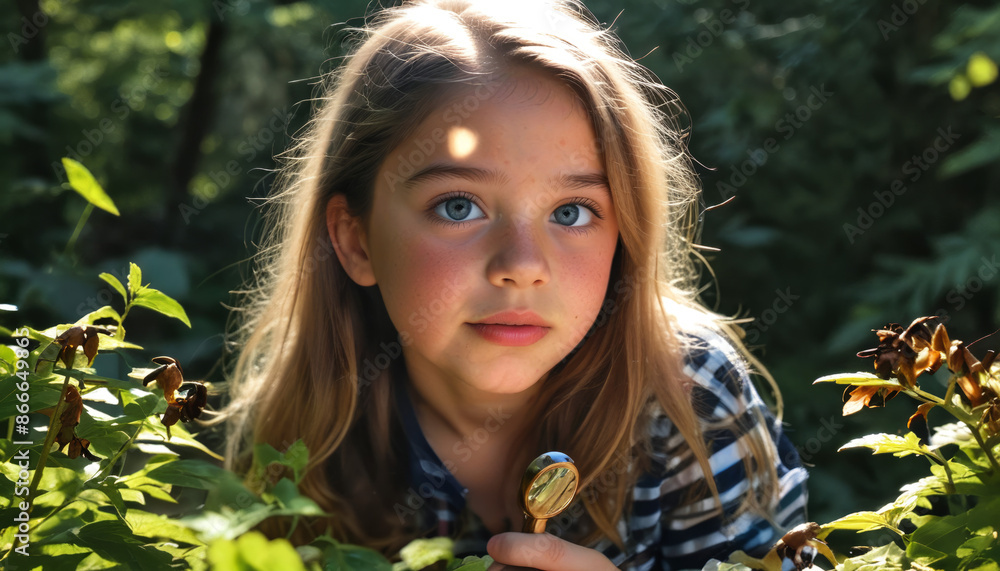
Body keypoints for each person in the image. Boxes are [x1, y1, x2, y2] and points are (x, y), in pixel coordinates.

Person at [221, 0, 808, 569]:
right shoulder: (298, 445)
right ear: (356, 241)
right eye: (458, 206)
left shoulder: (687, 397)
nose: (523, 264)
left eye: (572, 212)